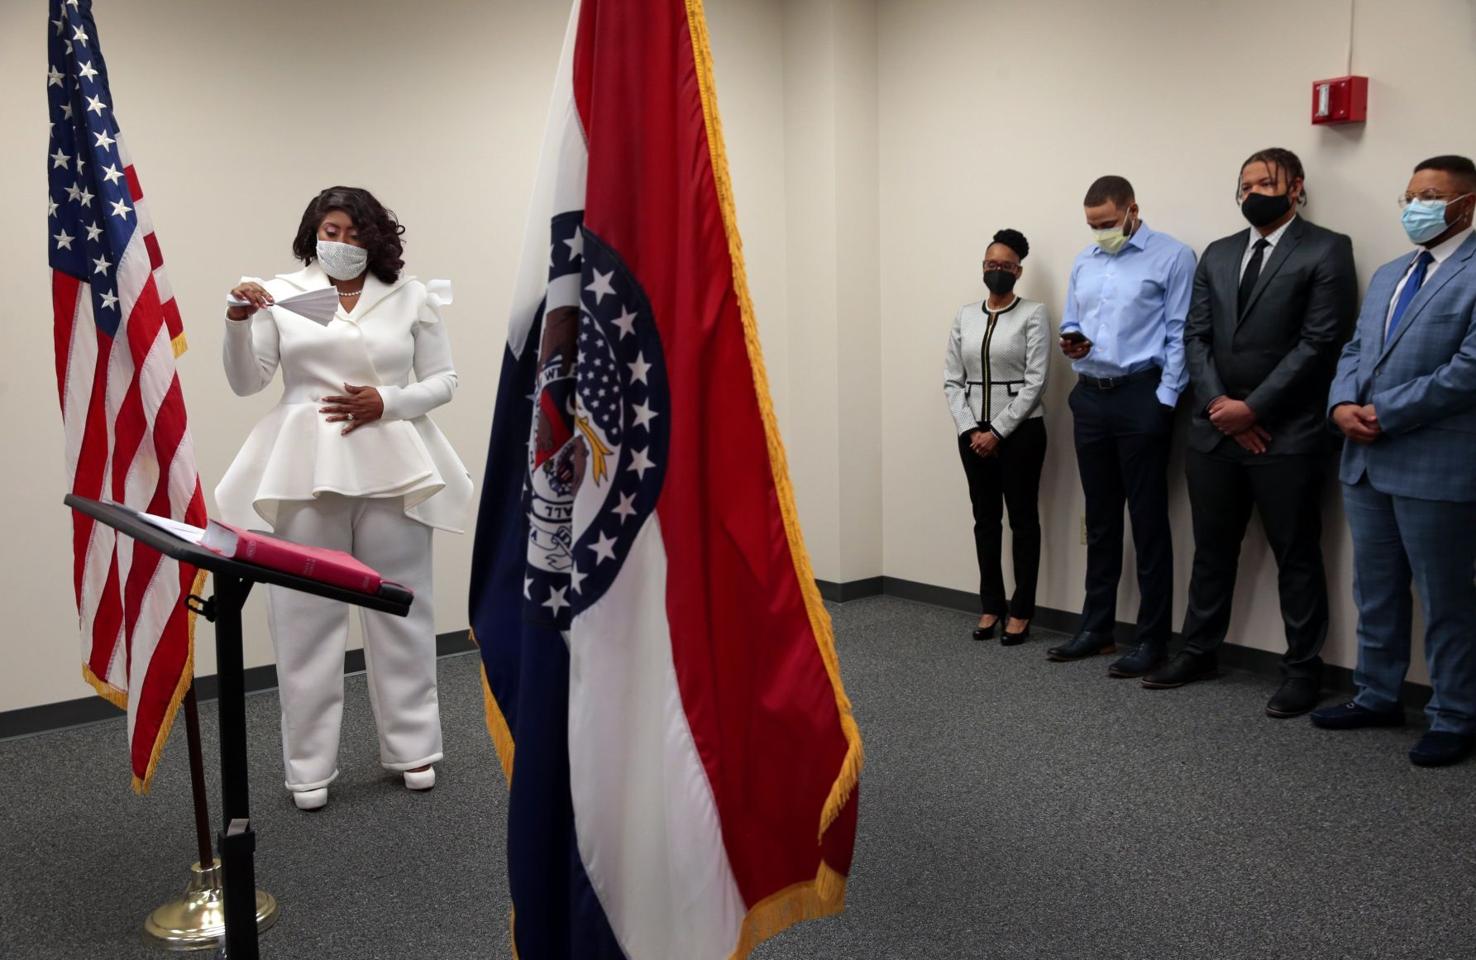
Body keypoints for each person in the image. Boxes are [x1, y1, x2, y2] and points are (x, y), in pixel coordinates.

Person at [216, 186, 473, 808]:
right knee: (304, 620)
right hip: (304, 466)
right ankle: (307, 768)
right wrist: (236, 323)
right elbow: (248, 381)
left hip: (393, 461)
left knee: (402, 609)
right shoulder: (277, 292)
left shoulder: (410, 296)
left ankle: (414, 749)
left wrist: (390, 400)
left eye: (357, 233)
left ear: (377, 238)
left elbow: (444, 380)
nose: (343, 243)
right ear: (313, 233)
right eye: (332, 230)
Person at [1142, 148, 1357, 719]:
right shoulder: (1218, 252)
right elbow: (1196, 336)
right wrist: (1220, 406)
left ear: (1297, 187)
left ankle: (1302, 670)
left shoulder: (1327, 248)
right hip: (1214, 433)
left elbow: (1320, 344)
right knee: (1211, 551)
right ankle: (1198, 651)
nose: (1254, 191)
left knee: (1298, 555)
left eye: (1266, 181)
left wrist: (1253, 409)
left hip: (1288, 434)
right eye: (1246, 183)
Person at [1312, 155, 1476, 767]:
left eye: (1430, 194)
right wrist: (1341, 406)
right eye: (1409, 195)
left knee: (1446, 598)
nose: (1415, 206)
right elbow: (1354, 349)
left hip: (1435, 461)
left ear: (1466, 203)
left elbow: (1468, 370)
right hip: (1364, 458)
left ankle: (1455, 714)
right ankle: (1377, 694)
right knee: (1375, 589)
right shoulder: (1389, 274)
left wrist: (1385, 412)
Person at [1048, 175, 1195, 678]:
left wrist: (1165, 401)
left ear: (1133, 210)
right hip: (1091, 397)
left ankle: (1152, 640)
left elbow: (1180, 333)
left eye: (1108, 223)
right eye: (1093, 225)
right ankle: (1097, 628)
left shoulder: (1173, 256)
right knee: (1101, 519)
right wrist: (1072, 341)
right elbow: (1072, 320)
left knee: (1149, 521)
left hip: (1141, 397)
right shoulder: (1085, 260)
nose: (1101, 232)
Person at [944, 229, 1051, 645]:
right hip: (972, 436)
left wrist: (998, 431)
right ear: (983, 267)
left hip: (1021, 434)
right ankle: (992, 605)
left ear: (1018, 271)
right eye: (991, 265)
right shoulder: (965, 316)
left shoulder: (1034, 313)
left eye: (1006, 266)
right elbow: (953, 380)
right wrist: (972, 429)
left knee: (1023, 521)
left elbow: (1037, 380)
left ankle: (1022, 611)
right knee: (985, 520)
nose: (997, 271)